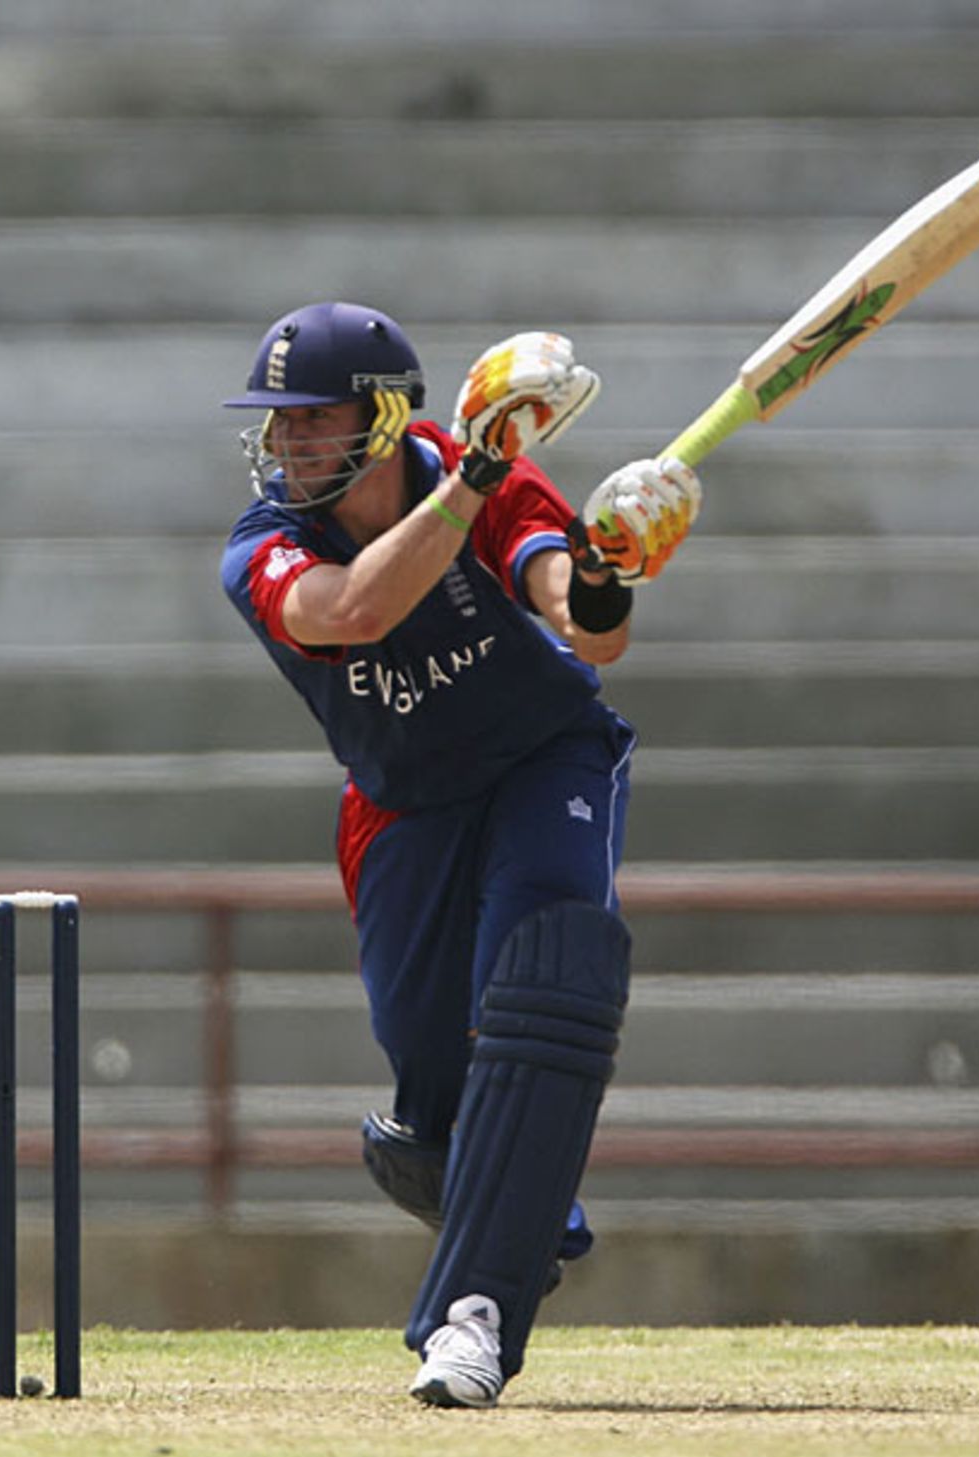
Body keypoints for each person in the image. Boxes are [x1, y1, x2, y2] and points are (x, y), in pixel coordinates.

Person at [220, 301, 701, 1408]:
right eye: (280, 421)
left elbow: (588, 628)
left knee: (548, 979)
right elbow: (354, 609)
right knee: (434, 1096)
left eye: (314, 417)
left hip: (542, 759)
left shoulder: (476, 473)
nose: (288, 440)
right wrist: (473, 480)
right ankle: (509, 1202)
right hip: (404, 807)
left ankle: (471, 1319)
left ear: (387, 419)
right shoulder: (264, 545)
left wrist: (612, 565)